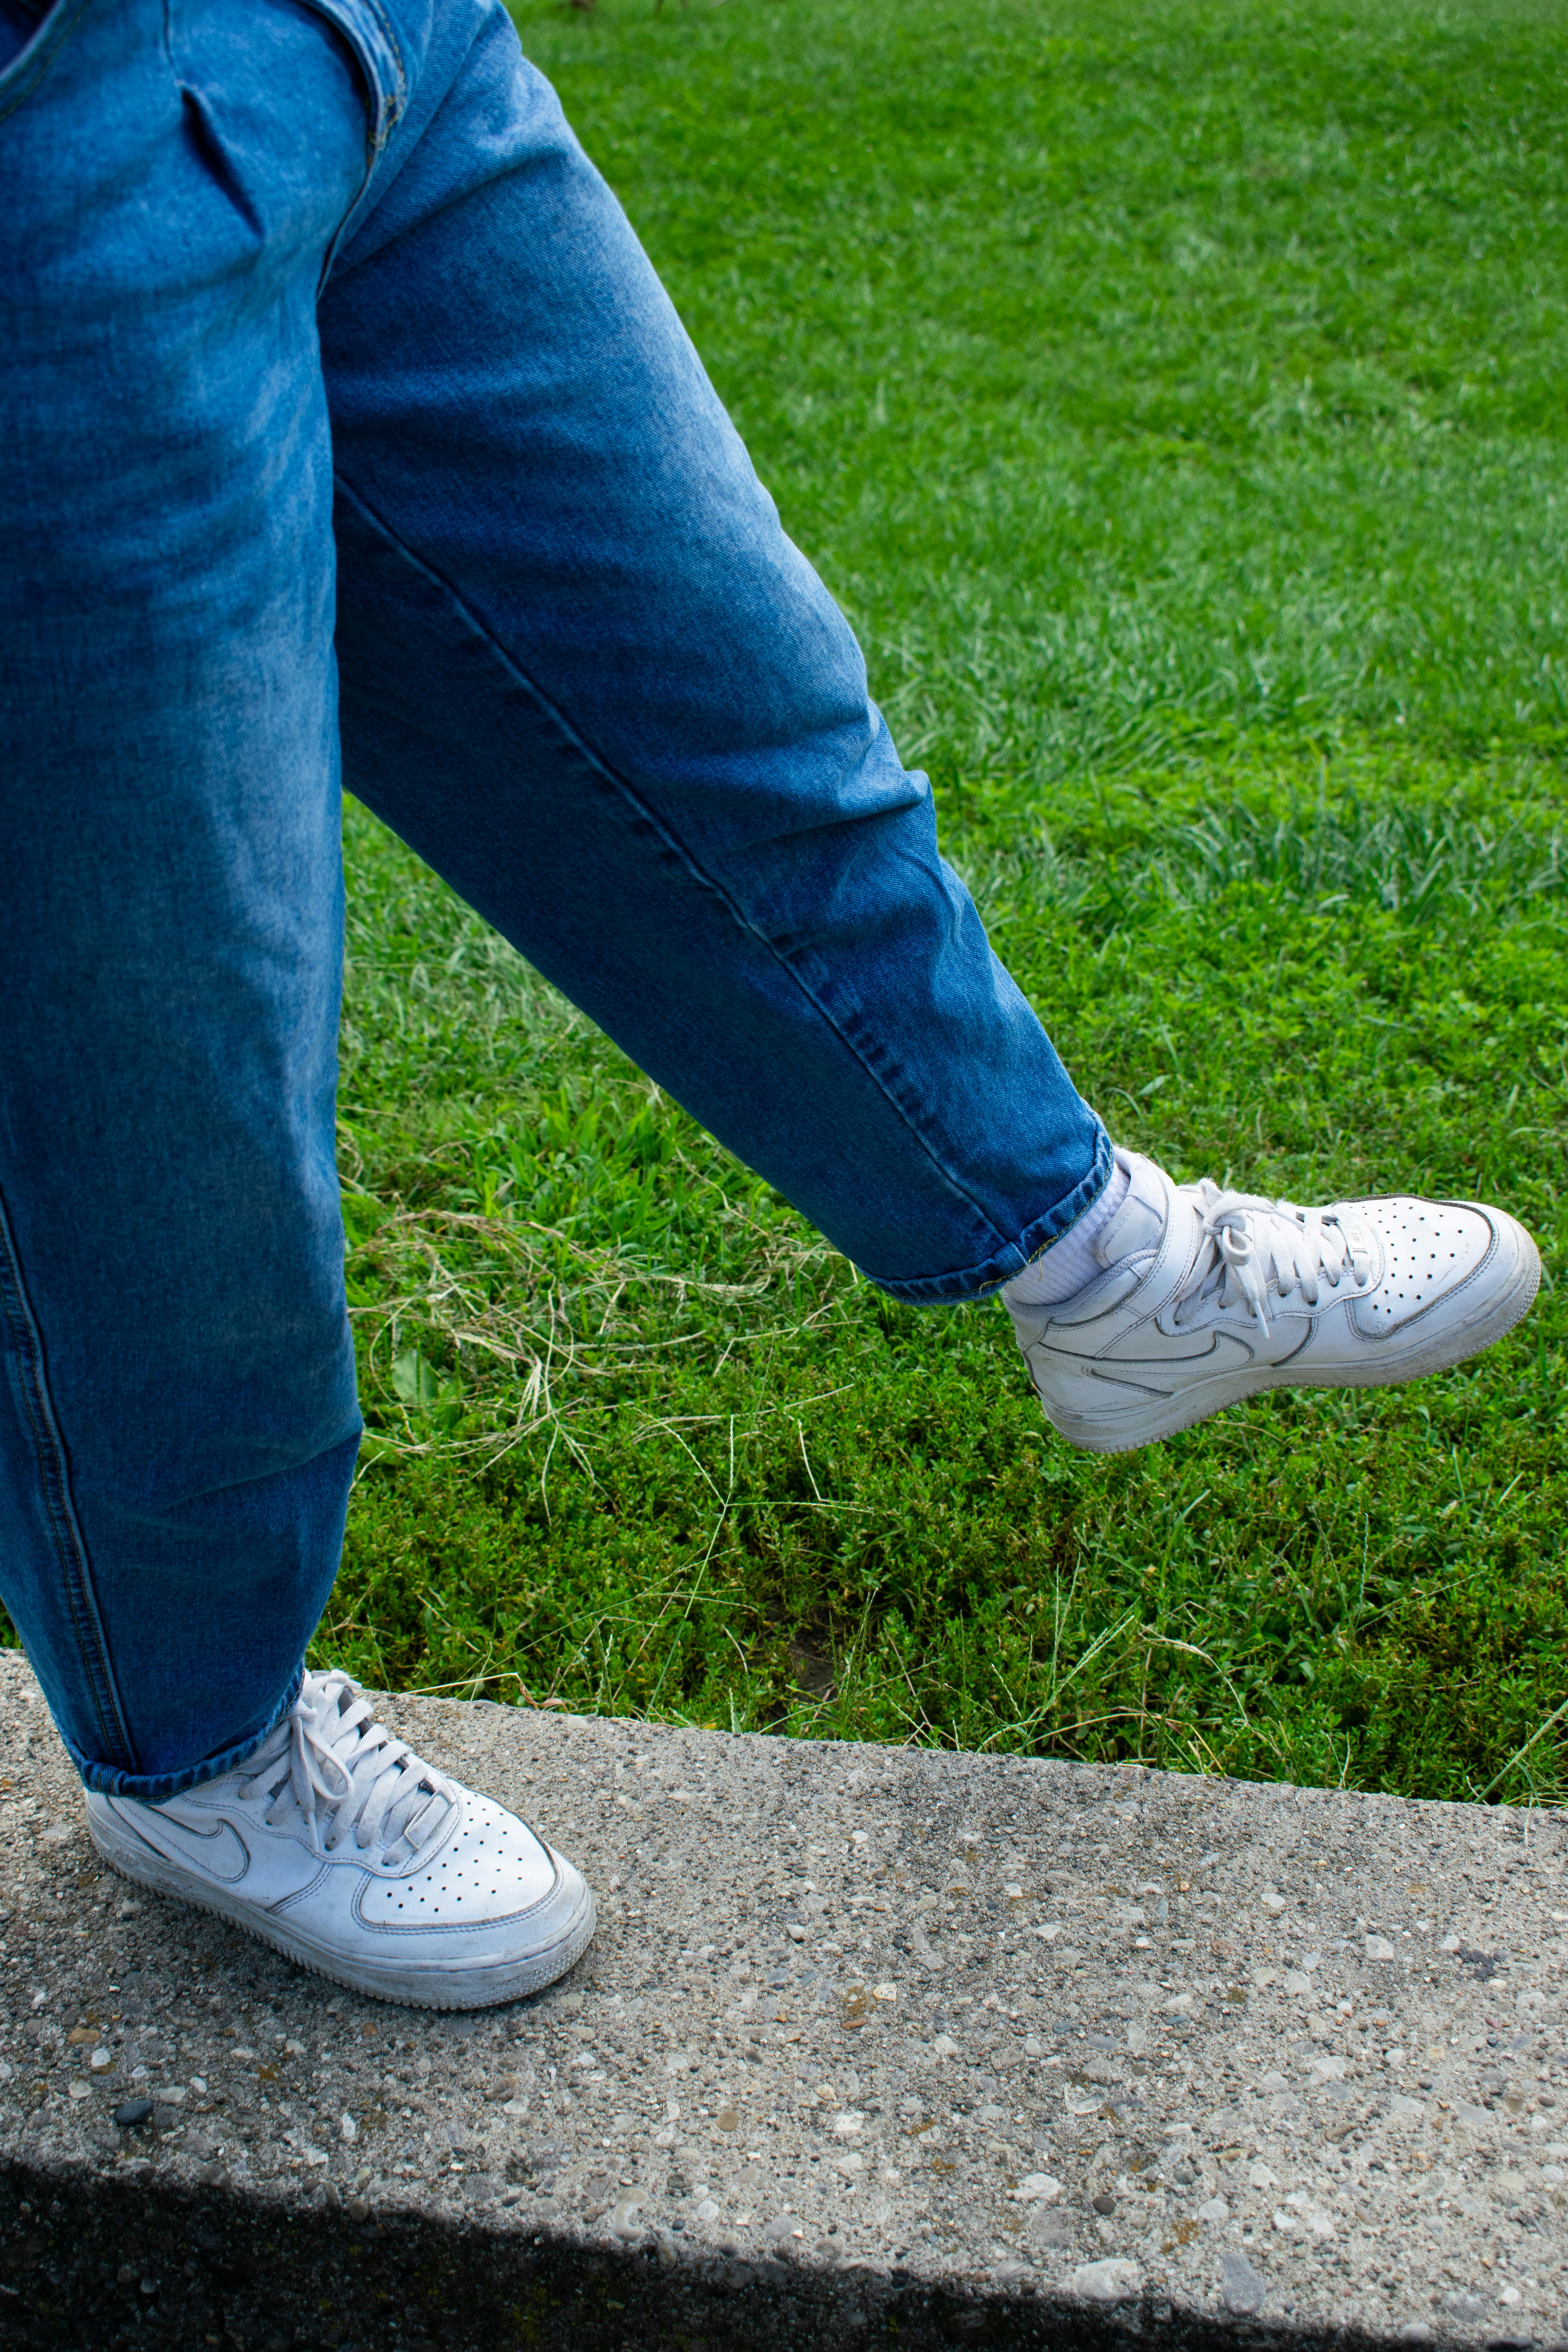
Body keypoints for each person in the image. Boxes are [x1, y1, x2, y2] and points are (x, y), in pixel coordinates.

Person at [0, 0, 1538, 2011]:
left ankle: (1103, 1267)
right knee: (161, 1036)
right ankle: (196, 1744)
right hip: (44, 148)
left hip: (377, 42)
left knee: (725, 701)